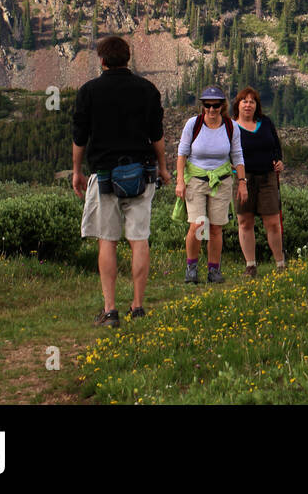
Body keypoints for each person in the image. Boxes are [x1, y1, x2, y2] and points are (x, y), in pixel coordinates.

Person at [71, 36, 168, 328]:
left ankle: (110, 310)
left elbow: (79, 137)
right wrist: (163, 167)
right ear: (128, 59)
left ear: (102, 61)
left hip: (104, 175)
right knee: (139, 240)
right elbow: (157, 136)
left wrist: (77, 170)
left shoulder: (88, 92)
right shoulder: (147, 90)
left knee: (108, 241)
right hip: (142, 173)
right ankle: (137, 306)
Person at [175, 86, 246, 283]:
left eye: (216, 106)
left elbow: (237, 155)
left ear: (222, 106)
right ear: (203, 106)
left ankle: (214, 270)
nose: (212, 110)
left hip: (221, 181)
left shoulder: (231, 127)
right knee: (198, 225)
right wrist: (180, 181)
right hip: (196, 180)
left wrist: (242, 182)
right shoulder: (193, 124)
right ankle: (192, 267)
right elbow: (182, 153)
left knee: (215, 227)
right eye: (207, 105)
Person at [232, 87, 285, 276]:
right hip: (242, 180)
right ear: (237, 104)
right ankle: (250, 265)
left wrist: (279, 161)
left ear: (257, 106)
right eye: (244, 101)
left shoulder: (266, 122)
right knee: (245, 221)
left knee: (272, 222)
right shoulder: (231, 127)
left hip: (267, 177)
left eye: (252, 101)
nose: (248, 104)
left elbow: (276, 146)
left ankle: (280, 264)